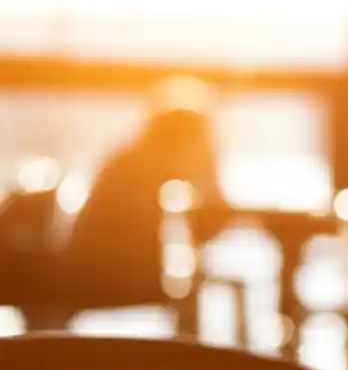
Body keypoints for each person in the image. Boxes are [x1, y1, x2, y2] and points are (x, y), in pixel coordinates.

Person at [27, 108, 227, 330]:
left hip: (96, 293)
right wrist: (208, 179)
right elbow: (206, 229)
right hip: (110, 292)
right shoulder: (141, 179)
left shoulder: (131, 164)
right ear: (182, 142)